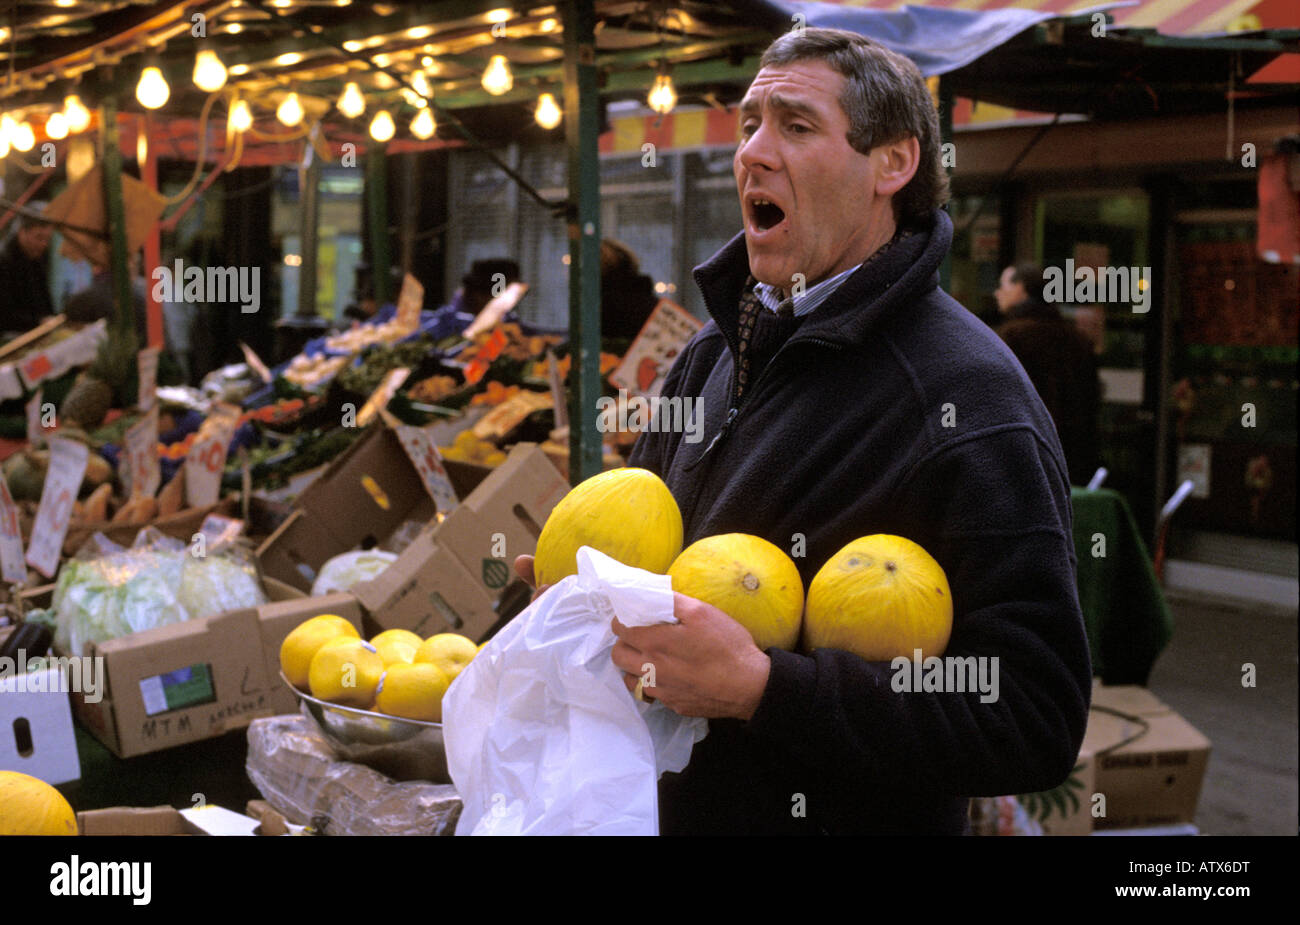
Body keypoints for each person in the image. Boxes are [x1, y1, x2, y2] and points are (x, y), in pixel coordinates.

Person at [519, 28, 1090, 835]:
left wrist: (764, 687)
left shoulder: (971, 397)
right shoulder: (712, 351)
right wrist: (577, 603)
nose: (751, 151)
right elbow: (649, 573)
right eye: (750, 122)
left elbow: (1031, 714)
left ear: (893, 164)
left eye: (794, 125)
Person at [994, 262, 1102, 486]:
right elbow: (1092, 399)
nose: (997, 293)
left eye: (1003, 286)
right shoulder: (1077, 340)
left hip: (1025, 452)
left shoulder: (1010, 337)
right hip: (1072, 453)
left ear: (1020, 289)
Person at [0, 203, 56, 337]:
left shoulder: (37, 260)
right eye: (39, 237)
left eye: (47, 239)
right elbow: (4, 315)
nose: (43, 244)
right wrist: (39, 322)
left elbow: (46, 303)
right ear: (22, 232)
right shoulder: (4, 261)